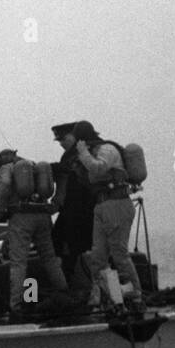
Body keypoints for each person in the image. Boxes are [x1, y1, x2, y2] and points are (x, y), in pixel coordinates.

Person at [73, 122, 143, 308]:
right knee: (98, 256)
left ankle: (135, 293)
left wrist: (83, 153)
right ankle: (107, 296)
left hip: (116, 204)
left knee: (119, 253)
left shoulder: (107, 150)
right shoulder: (92, 153)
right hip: (102, 206)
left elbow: (99, 168)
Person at [0, 149, 68, 320]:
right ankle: (64, 293)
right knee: (50, 258)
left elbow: (5, 185)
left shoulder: (7, 167)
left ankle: (16, 306)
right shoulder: (35, 168)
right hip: (43, 216)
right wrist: (56, 204)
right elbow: (61, 180)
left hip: (21, 216)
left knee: (18, 262)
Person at [50, 122, 95, 290]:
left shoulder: (83, 153)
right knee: (58, 241)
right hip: (70, 209)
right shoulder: (68, 155)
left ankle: (80, 285)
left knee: (77, 246)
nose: (61, 143)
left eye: (63, 139)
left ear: (74, 136)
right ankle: (67, 284)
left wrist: (47, 167)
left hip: (83, 210)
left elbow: (69, 171)